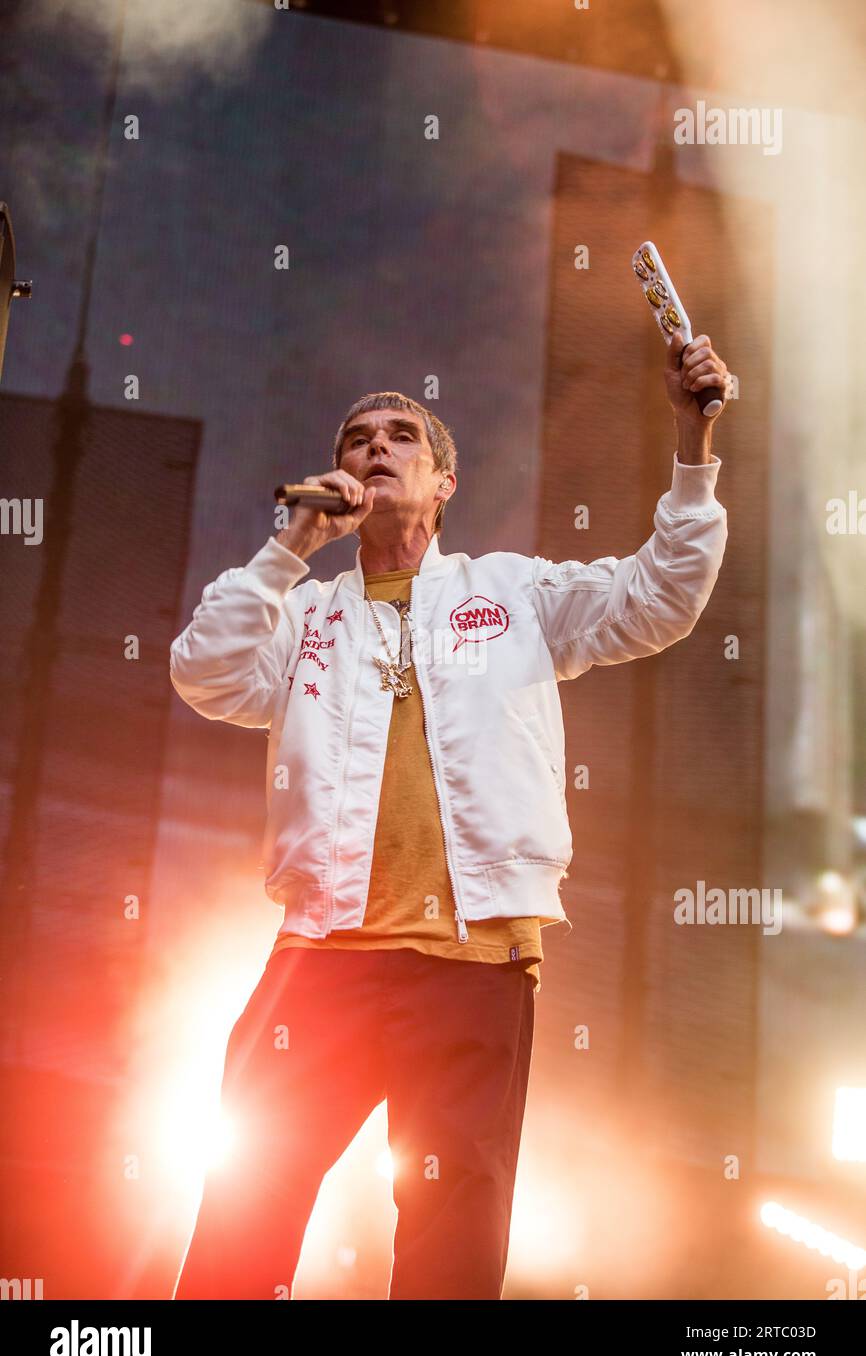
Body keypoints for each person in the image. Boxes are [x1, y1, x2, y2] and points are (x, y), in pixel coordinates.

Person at [169, 331, 729, 1299]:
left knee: (452, 1234)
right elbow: (204, 670)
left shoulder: (508, 594)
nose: (373, 448)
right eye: (354, 439)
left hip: (475, 961)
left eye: (400, 437)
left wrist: (690, 445)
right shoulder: (304, 614)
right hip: (322, 955)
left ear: (443, 484)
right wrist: (286, 549)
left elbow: (660, 595)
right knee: (242, 1203)